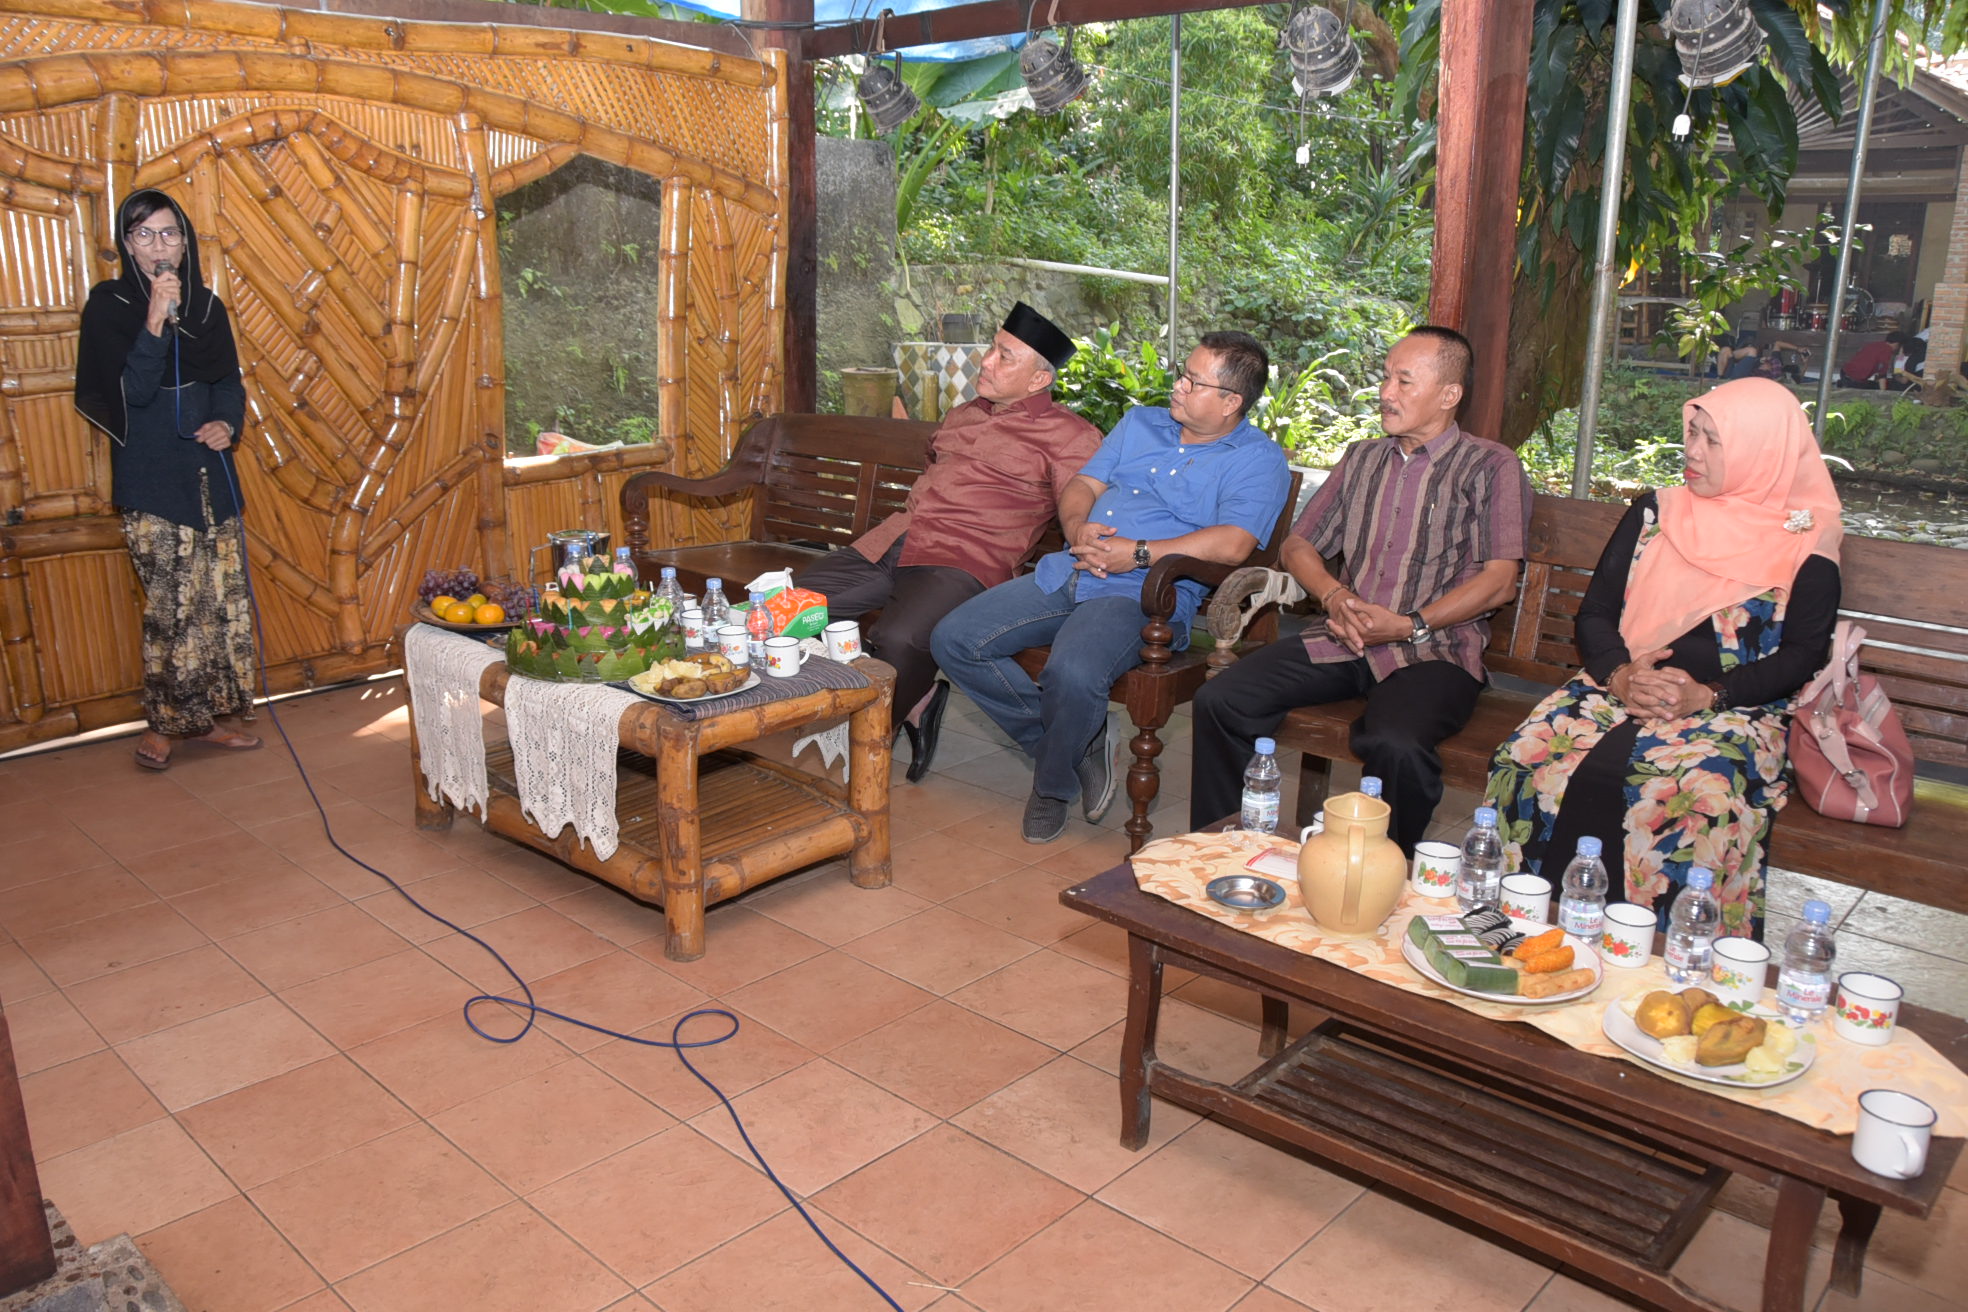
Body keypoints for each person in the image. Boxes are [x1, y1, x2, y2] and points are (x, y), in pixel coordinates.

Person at [1485, 376, 1841, 939]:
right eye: (1692, 433)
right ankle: (1520, 934)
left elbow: (1802, 656)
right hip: (1617, 685)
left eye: (1713, 440)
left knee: (1691, 793)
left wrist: (1711, 694)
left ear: (1762, 451)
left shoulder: (1807, 543)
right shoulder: (1656, 514)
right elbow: (1596, 613)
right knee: (1528, 757)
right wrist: (1621, 675)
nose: (1692, 451)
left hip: (1735, 709)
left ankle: (1661, 960)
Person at [932, 331, 1290, 843]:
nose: (1178, 386)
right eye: (1182, 373)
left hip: (1146, 592)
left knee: (1073, 672)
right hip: (1075, 569)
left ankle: (1052, 786)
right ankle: (1078, 740)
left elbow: (1233, 544)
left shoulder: (1256, 459)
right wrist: (1078, 526)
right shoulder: (1142, 422)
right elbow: (1083, 485)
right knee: (955, 638)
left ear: (1231, 401)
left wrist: (1139, 552)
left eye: (1193, 381)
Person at [1189, 327, 1530, 854]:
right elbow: (1299, 545)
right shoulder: (1363, 457)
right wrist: (1333, 597)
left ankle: (1382, 873)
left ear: (1449, 395)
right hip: (1343, 636)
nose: (1385, 392)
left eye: (1403, 381)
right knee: (1221, 698)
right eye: (1385, 377)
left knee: (1396, 743)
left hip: (1433, 651)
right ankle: (1220, 850)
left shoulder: (1490, 466)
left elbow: (1499, 580)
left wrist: (1410, 624)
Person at [794, 303, 1100, 781]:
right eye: (992, 350)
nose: (987, 361)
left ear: (1040, 379)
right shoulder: (963, 415)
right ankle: (908, 698)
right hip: (893, 540)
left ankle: (865, 751)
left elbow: (1082, 507)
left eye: (1005, 356)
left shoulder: (1070, 437)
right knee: (790, 609)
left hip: (963, 560)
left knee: (898, 638)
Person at [74, 189, 259, 772]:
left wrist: (228, 422)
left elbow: (229, 380)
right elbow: (130, 394)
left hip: (210, 476)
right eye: (145, 235)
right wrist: (154, 319)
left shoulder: (206, 307)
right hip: (153, 479)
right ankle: (163, 725)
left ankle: (209, 720)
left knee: (220, 604)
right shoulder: (108, 306)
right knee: (171, 608)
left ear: (186, 242)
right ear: (127, 244)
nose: (160, 247)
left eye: (170, 234)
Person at [1837, 332, 1909, 389]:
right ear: (1897, 344)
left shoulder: (1876, 344)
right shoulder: (1887, 351)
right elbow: (1882, 375)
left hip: (1845, 372)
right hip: (1854, 379)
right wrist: (1883, 394)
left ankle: (1843, 383)